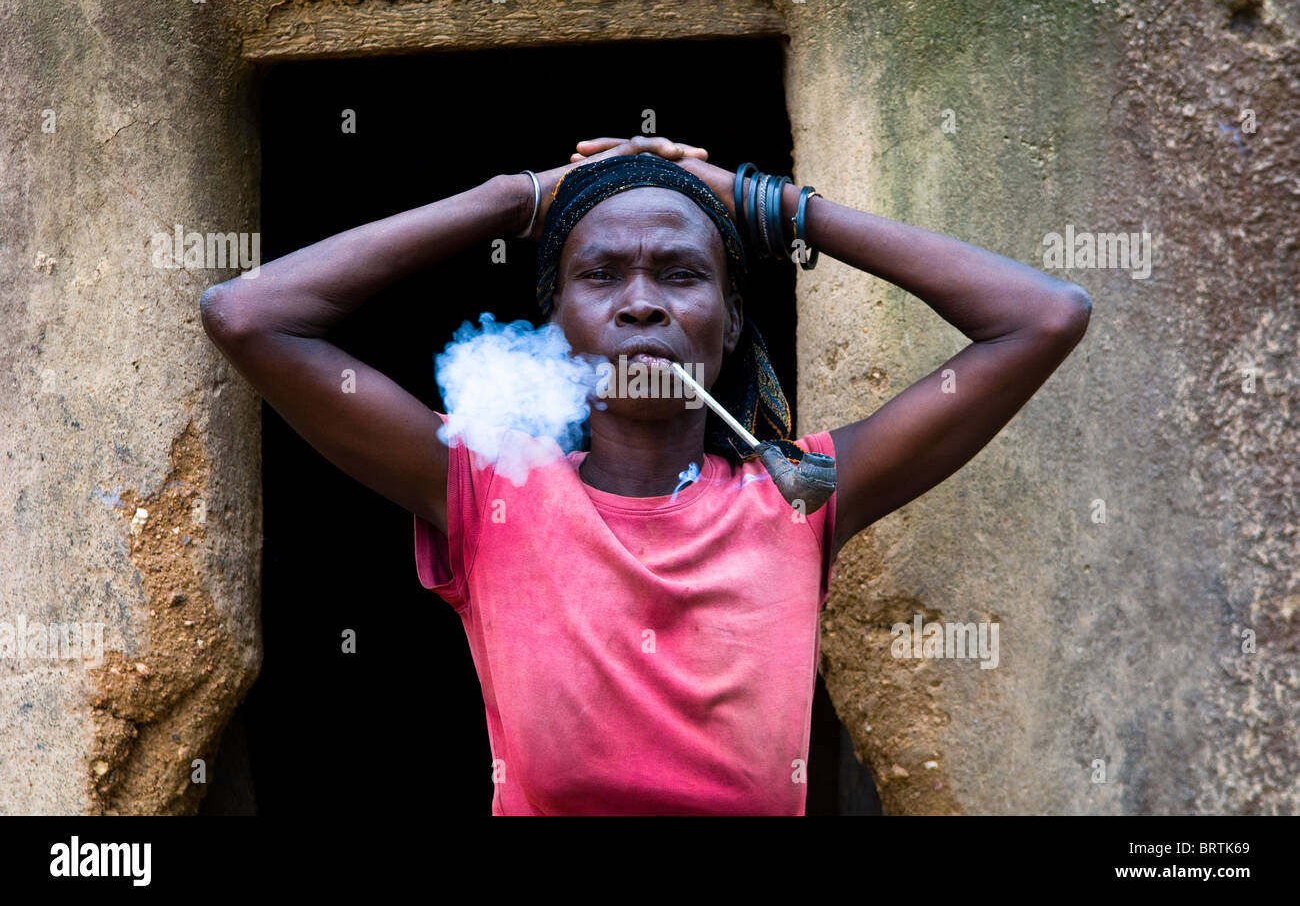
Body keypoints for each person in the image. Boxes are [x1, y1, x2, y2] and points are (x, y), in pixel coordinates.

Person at [199, 135, 1091, 815]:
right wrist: (522, 198)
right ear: (557, 321)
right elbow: (246, 316)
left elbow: (1046, 315)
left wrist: (767, 204)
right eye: (599, 275)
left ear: (733, 322)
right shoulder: (486, 489)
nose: (641, 301)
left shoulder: (798, 494)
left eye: (680, 273)